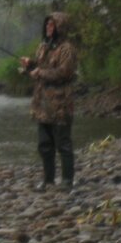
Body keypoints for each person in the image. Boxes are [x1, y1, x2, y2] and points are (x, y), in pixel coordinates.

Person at [19, 12, 78, 190]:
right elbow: (40, 66)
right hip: (42, 104)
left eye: (52, 25)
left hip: (60, 103)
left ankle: (67, 181)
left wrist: (39, 73)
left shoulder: (67, 49)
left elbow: (64, 73)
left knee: (63, 144)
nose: (49, 28)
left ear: (61, 28)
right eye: (47, 25)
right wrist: (30, 64)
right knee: (44, 145)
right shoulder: (43, 46)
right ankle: (48, 180)